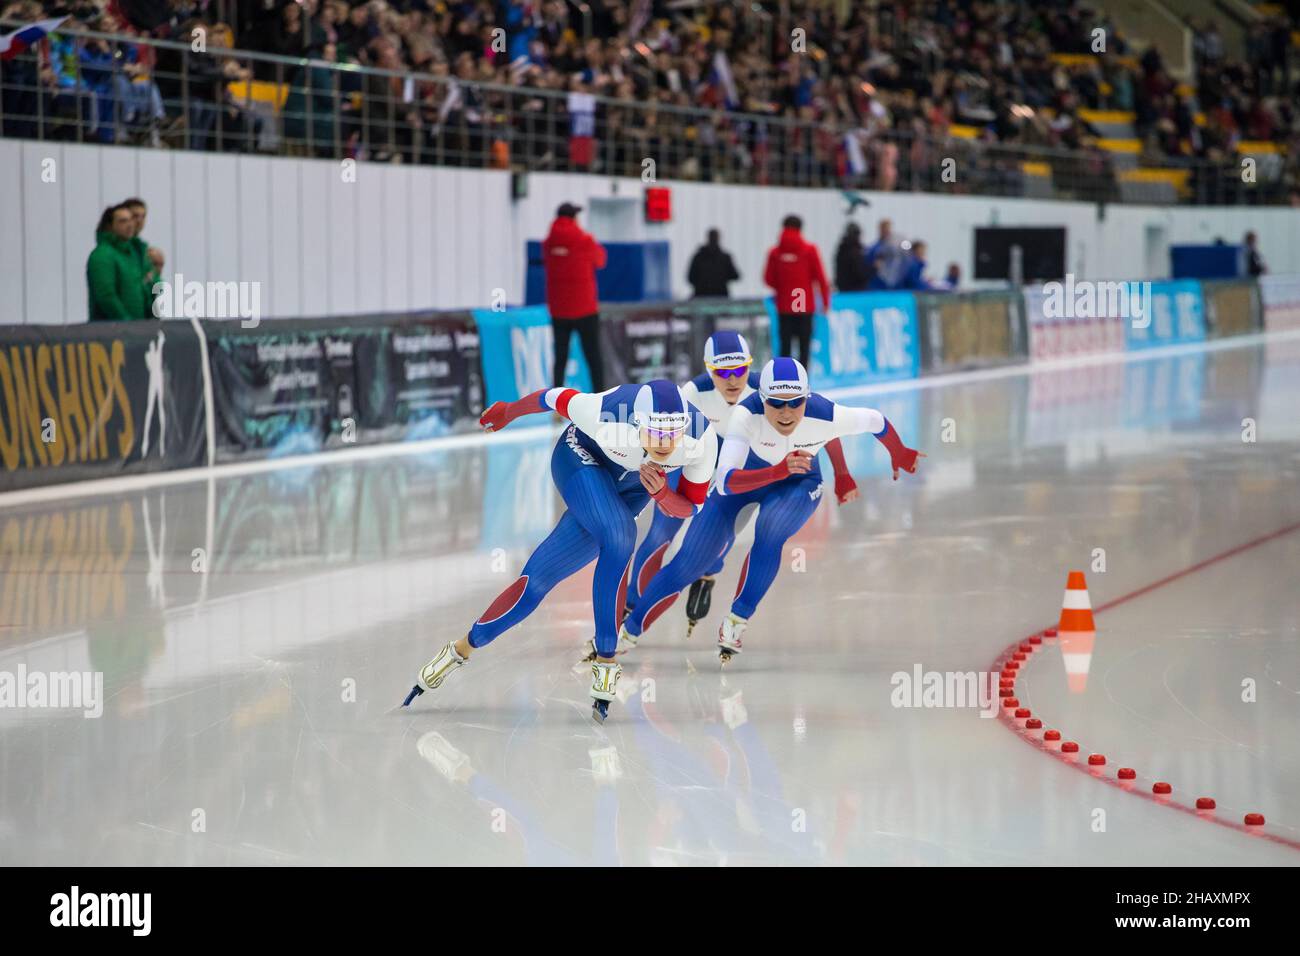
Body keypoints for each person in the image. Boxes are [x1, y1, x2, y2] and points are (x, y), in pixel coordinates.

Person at [403, 380, 718, 722]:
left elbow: (690, 507)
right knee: (621, 534)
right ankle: (607, 658)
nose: (665, 444)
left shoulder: (701, 439)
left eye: (673, 434)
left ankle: (459, 649)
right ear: (637, 423)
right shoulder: (605, 416)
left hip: (632, 489)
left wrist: (662, 496)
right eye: (656, 433)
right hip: (579, 461)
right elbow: (551, 397)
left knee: (537, 581)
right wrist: (508, 411)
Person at [614, 357, 922, 663]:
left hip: (798, 483)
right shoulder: (746, 414)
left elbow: (875, 421)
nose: (786, 413)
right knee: (688, 562)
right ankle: (628, 633)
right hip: (747, 480)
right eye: (776, 404)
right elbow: (724, 481)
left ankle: (737, 620)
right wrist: (778, 470)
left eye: (795, 403)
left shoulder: (826, 412)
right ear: (762, 400)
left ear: (808, 398)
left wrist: (894, 454)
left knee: (770, 532)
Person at [620, 332, 857, 641]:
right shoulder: (692, 393)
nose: (732, 380)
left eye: (739, 370)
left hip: (741, 465)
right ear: (708, 370)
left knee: (719, 528)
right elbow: (658, 434)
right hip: (696, 460)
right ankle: (630, 609)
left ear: (750, 366)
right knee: (662, 532)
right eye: (722, 373)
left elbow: (824, 425)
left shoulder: (768, 389)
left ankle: (708, 570)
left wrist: (841, 472)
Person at [543, 202, 607, 393]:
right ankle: (601, 396)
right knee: (593, 357)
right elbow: (601, 260)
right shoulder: (584, 239)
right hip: (585, 309)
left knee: (560, 357)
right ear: (573, 218)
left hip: (559, 310)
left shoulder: (548, 244)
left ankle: (556, 402)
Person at [763, 215, 830, 367]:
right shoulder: (809, 250)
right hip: (804, 307)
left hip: (785, 306)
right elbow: (821, 278)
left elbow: (768, 278)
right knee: (804, 348)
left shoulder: (775, 253)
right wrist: (825, 302)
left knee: (785, 347)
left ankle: (783, 382)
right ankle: (802, 382)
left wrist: (783, 287)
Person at [87, 204, 155, 321]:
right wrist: (127, 324)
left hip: (140, 331)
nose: (130, 225)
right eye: (123, 221)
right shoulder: (102, 255)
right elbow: (106, 296)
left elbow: (147, 289)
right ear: (110, 226)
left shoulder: (134, 255)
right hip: (112, 333)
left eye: (130, 220)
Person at [122, 197, 165, 287]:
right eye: (135, 216)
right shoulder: (117, 250)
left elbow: (155, 284)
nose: (139, 220)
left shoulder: (140, 250)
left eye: (143, 216)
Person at [687, 229, 741, 298]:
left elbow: (690, 278)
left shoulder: (699, 257)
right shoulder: (724, 257)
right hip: (717, 296)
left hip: (705, 295)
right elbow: (735, 276)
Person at [865, 218, 905, 289]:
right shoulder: (874, 249)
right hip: (877, 286)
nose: (887, 232)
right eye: (885, 229)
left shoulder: (895, 249)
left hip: (891, 286)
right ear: (880, 230)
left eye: (888, 229)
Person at [834, 222, 871, 291]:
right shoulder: (854, 252)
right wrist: (874, 268)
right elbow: (860, 274)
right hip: (856, 291)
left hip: (843, 290)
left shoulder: (841, 249)